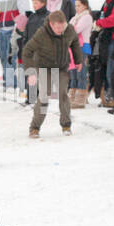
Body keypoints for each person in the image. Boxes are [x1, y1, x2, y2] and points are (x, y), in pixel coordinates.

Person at [23, 9, 84, 137]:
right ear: (51, 24)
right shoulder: (42, 33)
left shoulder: (69, 30)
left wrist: (78, 60)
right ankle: (35, 127)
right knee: (45, 96)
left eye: (62, 27)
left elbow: (75, 42)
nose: (60, 30)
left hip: (61, 67)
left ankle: (66, 125)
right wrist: (31, 72)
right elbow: (27, 51)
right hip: (44, 67)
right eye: (57, 28)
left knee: (63, 94)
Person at [68, 0, 94, 107]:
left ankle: (80, 98)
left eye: (79, 5)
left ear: (85, 5)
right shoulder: (75, 17)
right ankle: (72, 95)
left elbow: (75, 29)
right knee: (73, 72)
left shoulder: (87, 17)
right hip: (73, 47)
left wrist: (68, 28)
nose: (77, 8)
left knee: (80, 72)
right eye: (76, 6)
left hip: (82, 46)